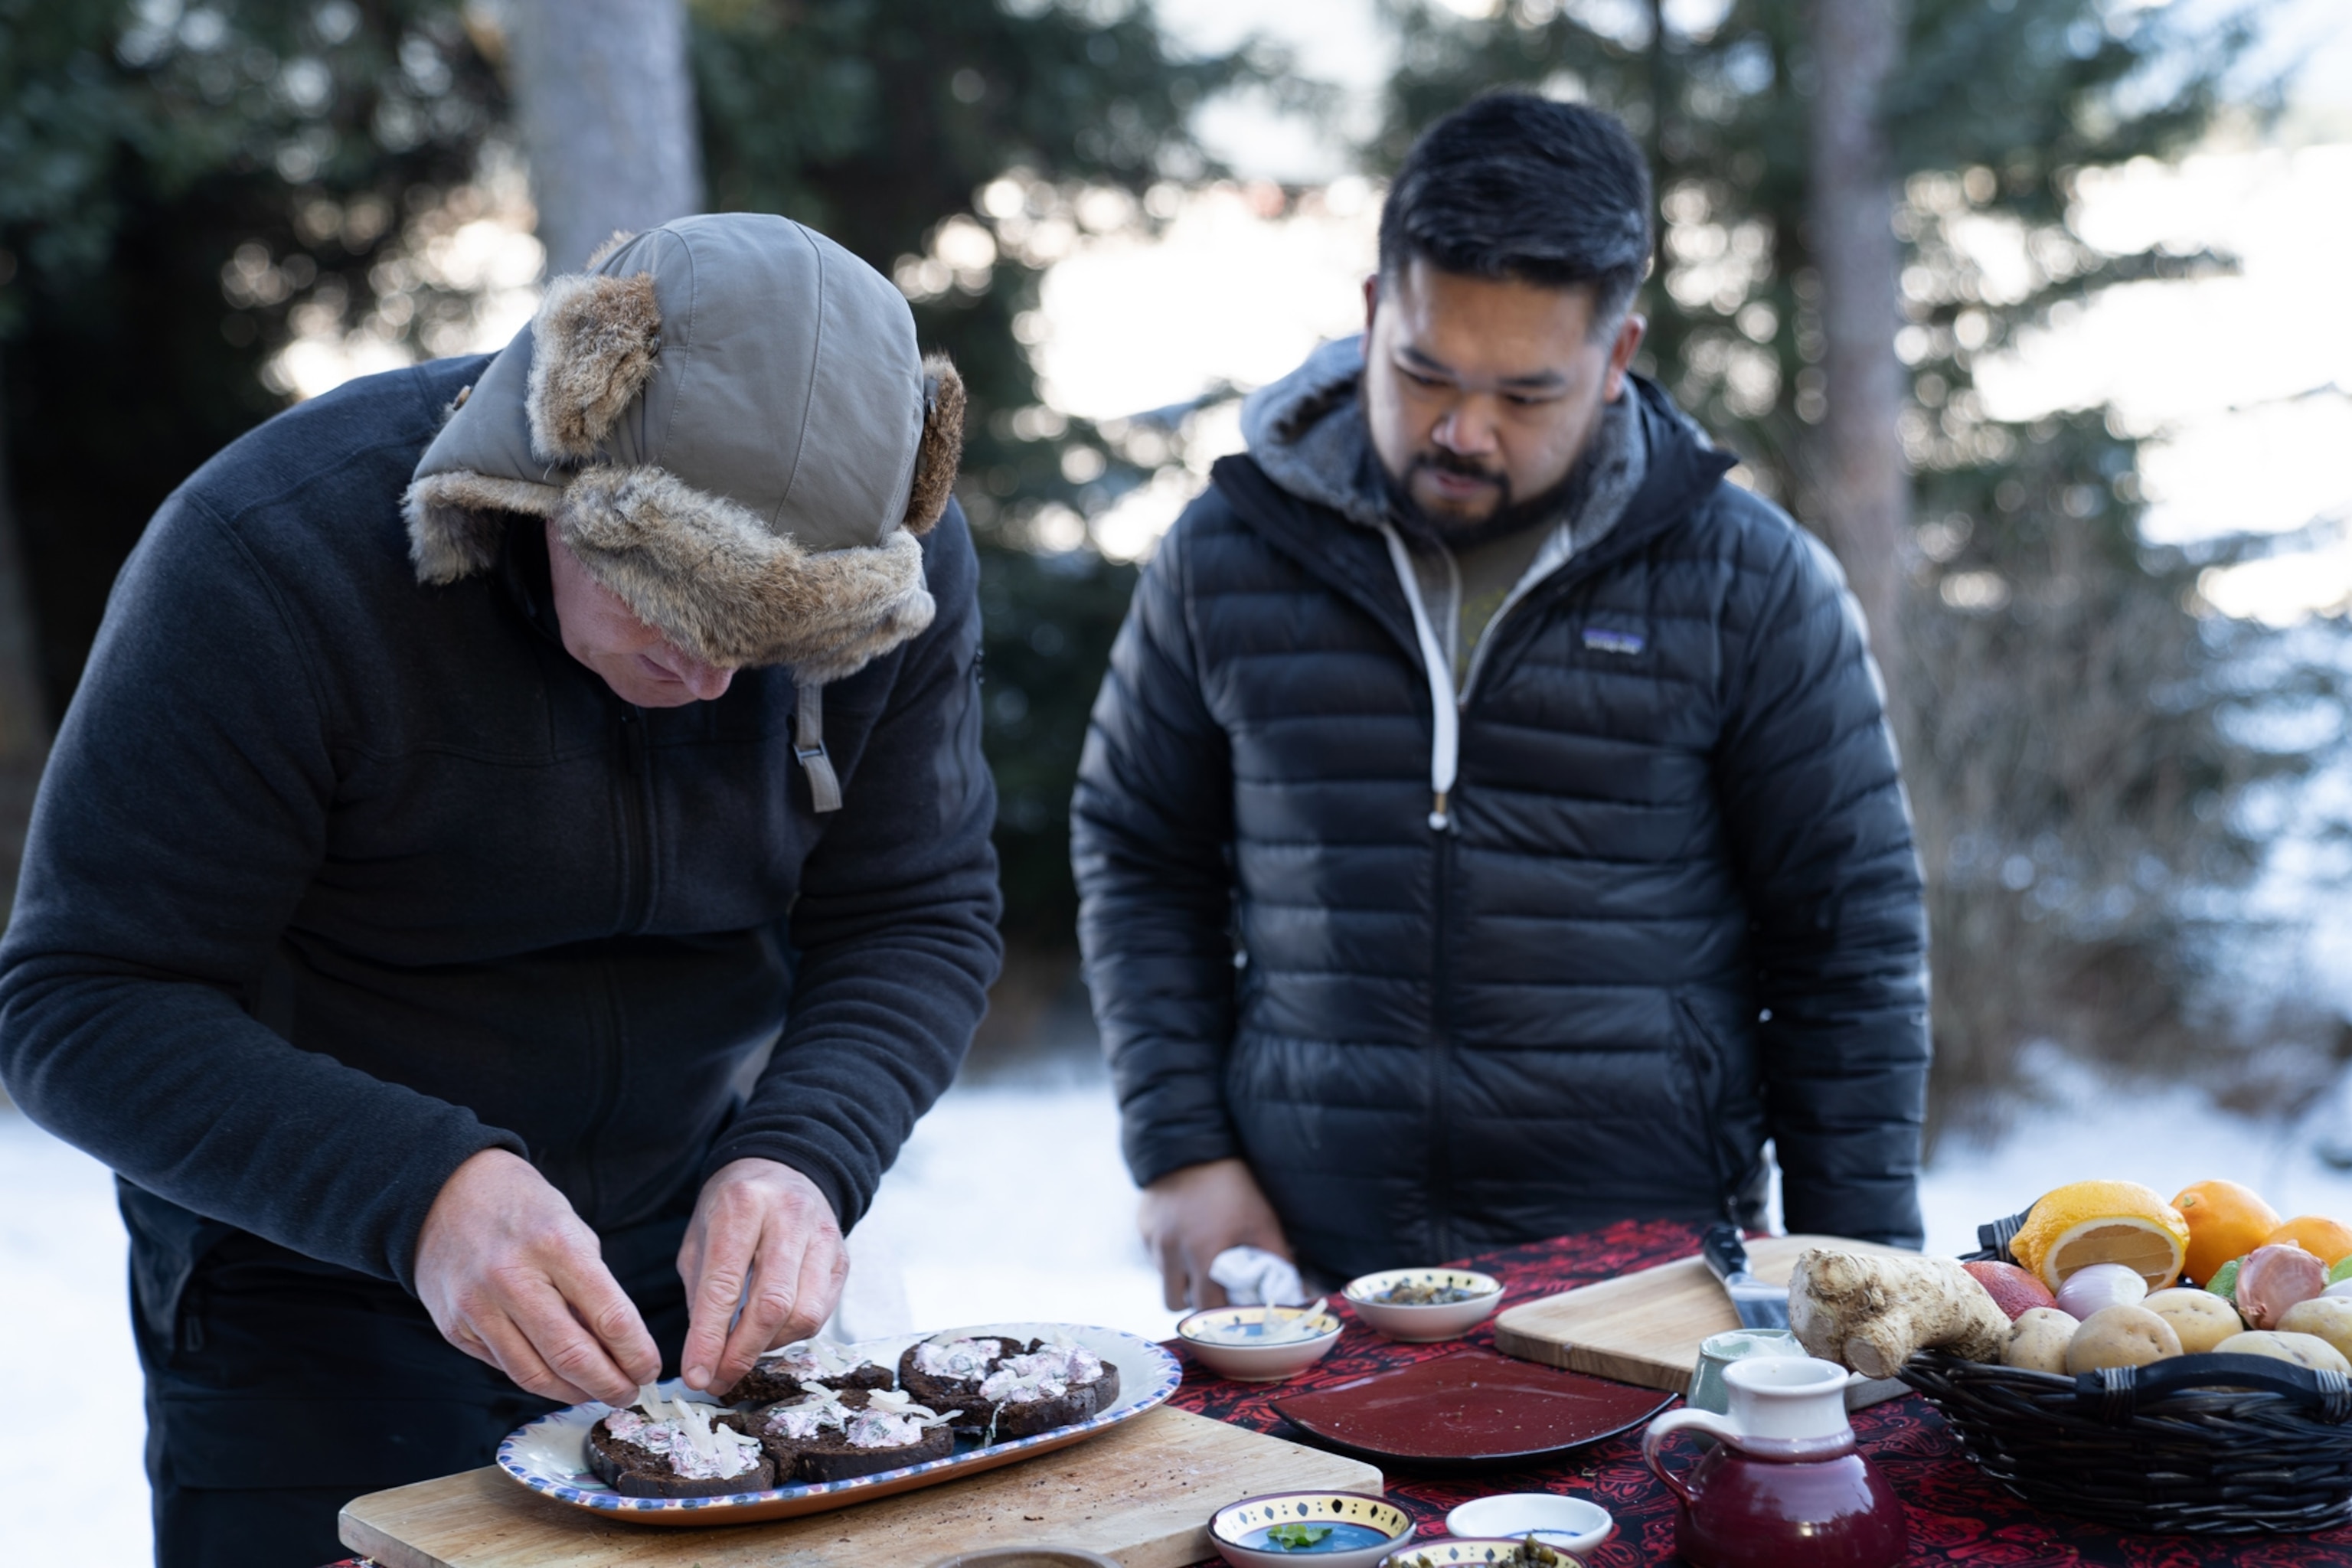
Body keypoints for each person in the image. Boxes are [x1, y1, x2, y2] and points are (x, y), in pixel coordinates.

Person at [0, 213, 1001, 1568]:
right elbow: (80, 1001)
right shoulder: (269, 561)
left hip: (680, 1266)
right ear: (560, 461)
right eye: (672, 604)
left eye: (768, 649)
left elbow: (916, 909)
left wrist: (807, 1149)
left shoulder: (890, 568)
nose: (712, 680)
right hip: (306, 1289)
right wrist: (418, 1189)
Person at [1072, 93, 1930, 1311]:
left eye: (1525, 395)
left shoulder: (1751, 581)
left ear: (1618, 354)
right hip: (1305, 1280)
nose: (1461, 430)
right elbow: (1139, 849)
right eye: (1423, 372)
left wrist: (1867, 1281)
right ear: (1375, 312)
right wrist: (1183, 1150)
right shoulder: (1225, 555)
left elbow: (1850, 935)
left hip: (1642, 1284)